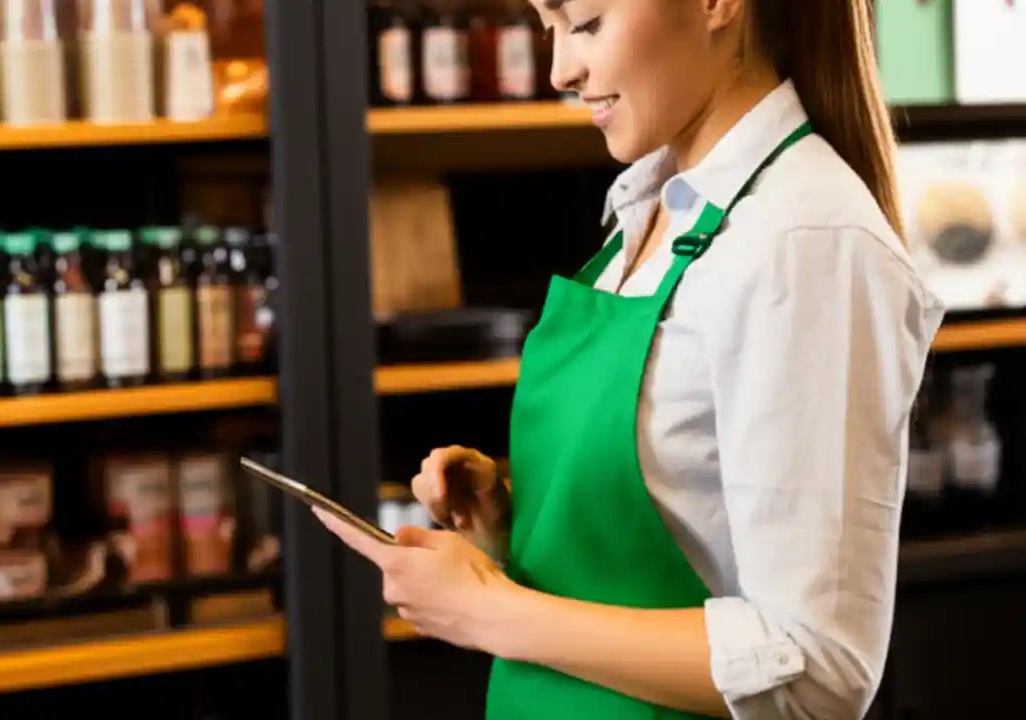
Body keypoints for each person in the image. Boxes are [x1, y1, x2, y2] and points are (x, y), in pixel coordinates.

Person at [315, 0, 946, 718]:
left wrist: (489, 611)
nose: (561, 69)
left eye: (584, 24)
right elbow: (686, 541)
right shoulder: (651, 212)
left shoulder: (804, 242)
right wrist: (515, 526)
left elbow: (816, 673)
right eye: (547, 29)